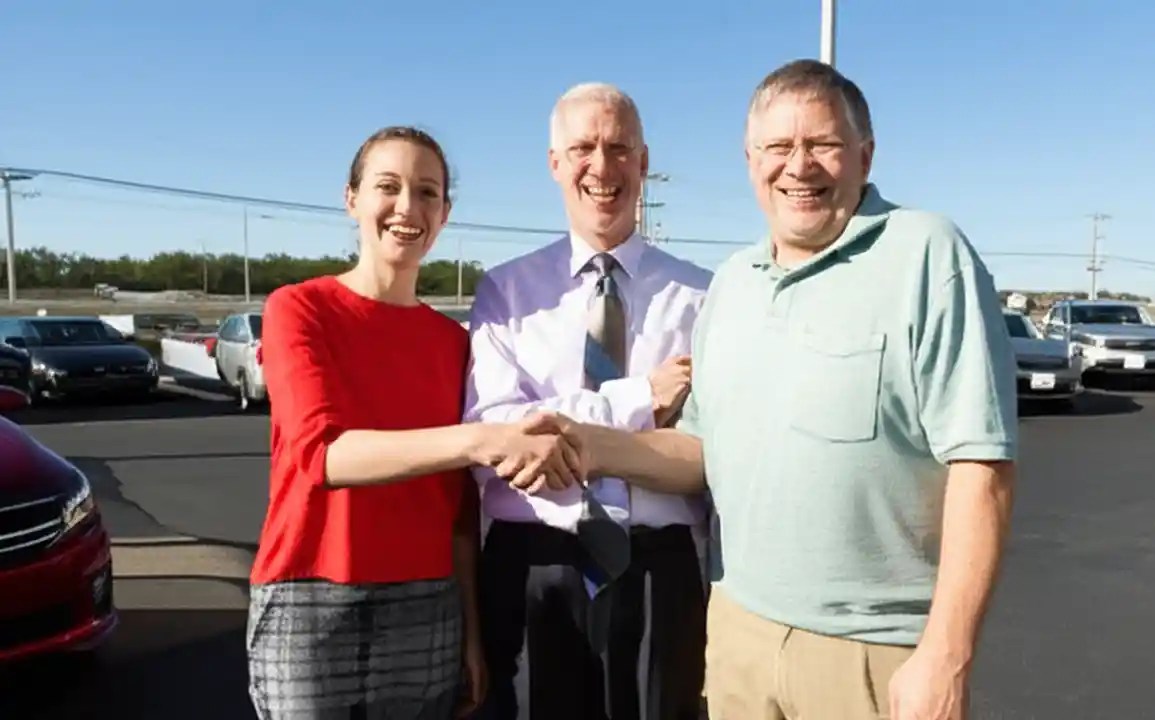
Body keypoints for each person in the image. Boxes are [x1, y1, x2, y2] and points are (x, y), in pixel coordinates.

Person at [548, 59, 1020, 720]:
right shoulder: (733, 284)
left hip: (872, 652)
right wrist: (585, 443)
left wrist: (946, 655)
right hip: (737, 634)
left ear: (865, 154)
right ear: (750, 161)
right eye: (777, 147)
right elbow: (700, 453)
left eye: (822, 144)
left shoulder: (927, 254)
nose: (798, 166)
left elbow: (983, 468)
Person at [246, 125, 582, 720]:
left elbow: (458, 512)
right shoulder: (299, 309)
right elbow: (323, 455)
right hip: (309, 598)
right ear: (352, 199)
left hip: (430, 602)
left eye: (427, 193)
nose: (408, 208)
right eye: (388, 187)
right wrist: (480, 439)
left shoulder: (453, 343)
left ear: (445, 213)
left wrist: (471, 636)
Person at [463, 83, 713, 720]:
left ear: (644, 160)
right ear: (554, 163)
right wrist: (637, 402)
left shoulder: (704, 297)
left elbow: (713, 448)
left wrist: (563, 422)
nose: (601, 167)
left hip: (662, 569)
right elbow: (498, 436)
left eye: (618, 147)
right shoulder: (506, 292)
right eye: (582, 148)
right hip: (534, 563)